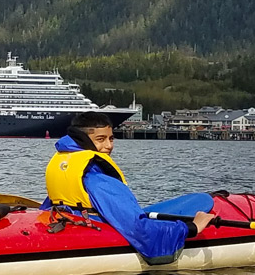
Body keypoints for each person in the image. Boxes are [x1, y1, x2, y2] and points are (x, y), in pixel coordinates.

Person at [44, 111, 216, 264]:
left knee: (201, 199)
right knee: (203, 201)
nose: (109, 146)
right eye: (100, 139)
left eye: (111, 138)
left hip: (73, 218)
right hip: (99, 227)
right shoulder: (98, 180)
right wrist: (191, 228)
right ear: (82, 139)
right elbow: (138, 229)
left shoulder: (64, 163)